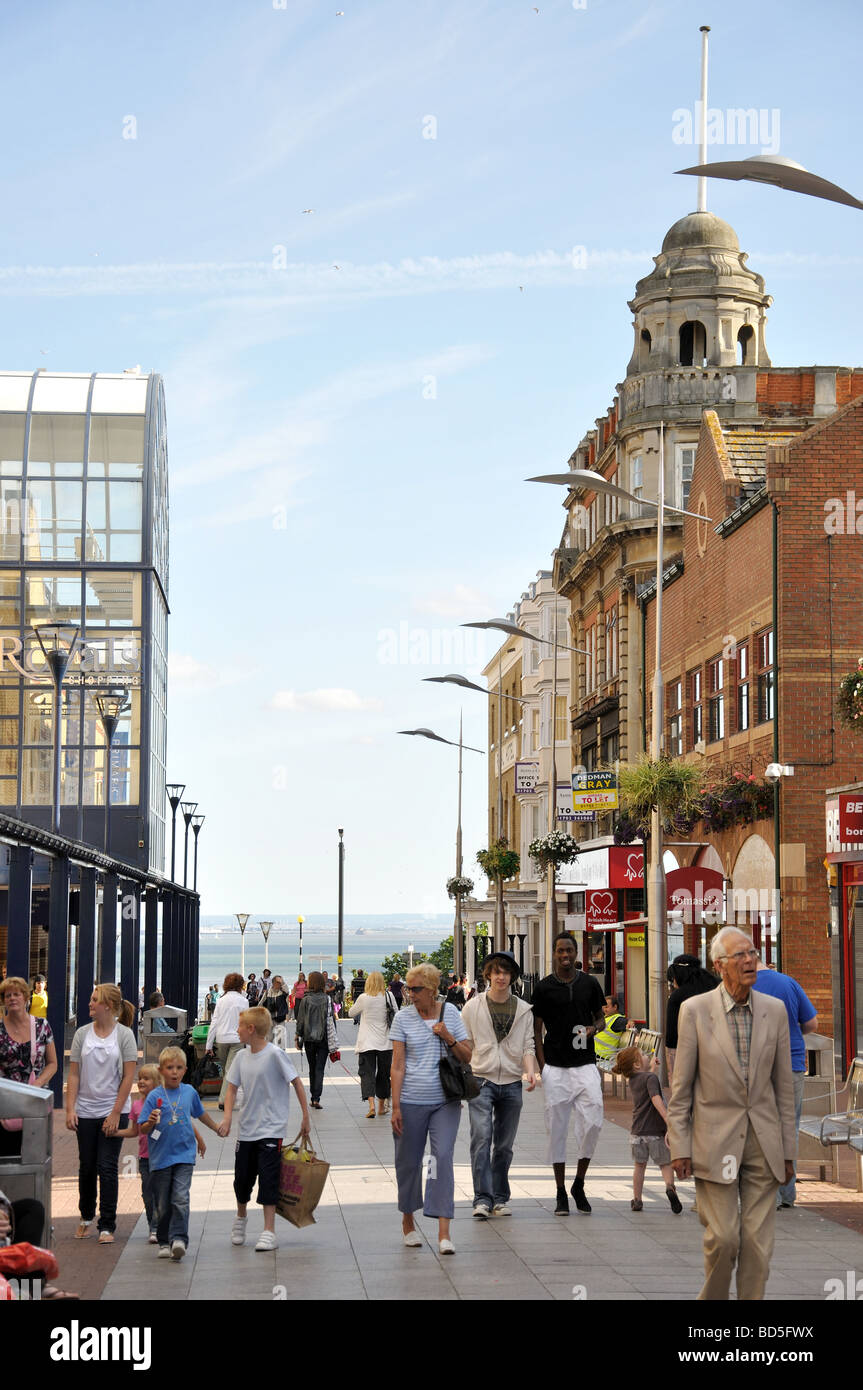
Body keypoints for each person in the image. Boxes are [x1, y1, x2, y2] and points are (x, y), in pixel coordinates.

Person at [667, 927, 796, 1302]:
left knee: (757, 1245)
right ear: (719, 965)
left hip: (763, 1142)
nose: (750, 960)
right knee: (724, 1239)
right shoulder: (695, 1010)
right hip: (715, 1142)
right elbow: (681, 1086)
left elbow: (783, 1090)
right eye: (740, 955)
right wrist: (680, 1145)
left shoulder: (775, 1011)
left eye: (752, 953)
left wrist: (789, 1152)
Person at [390, 962, 471, 1255]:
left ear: (433, 989)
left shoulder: (451, 1013)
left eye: (416, 989)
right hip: (411, 1100)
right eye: (408, 989)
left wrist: (447, 1036)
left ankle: (444, 1231)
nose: (410, 994)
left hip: (445, 1101)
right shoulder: (402, 1018)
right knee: (409, 1162)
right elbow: (397, 1065)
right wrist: (395, 1106)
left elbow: (467, 1055)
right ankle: (408, 1222)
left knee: (443, 1158)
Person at [218, 1006, 311, 1251]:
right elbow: (231, 1089)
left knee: (269, 1180)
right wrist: (227, 1118)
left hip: (272, 1129)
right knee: (242, 1180)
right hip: (246, 1129)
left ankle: (269, 1231)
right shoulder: (240, 1057)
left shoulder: (274, 1055)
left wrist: (305, 1116)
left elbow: (297, 1083)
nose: (236, 1031)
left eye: (239, 1027)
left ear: (251, 1029)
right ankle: (241, 1217)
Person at [532, 932, 605, 1216]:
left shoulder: (589, 983)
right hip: (556, 1067)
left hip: (585, 1063)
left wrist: (593, 1029)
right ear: (554, 953)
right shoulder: (543, 988)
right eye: (560, 950)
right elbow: (536, 1029)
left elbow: (600, 1017)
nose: (565, 955)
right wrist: (543, 1067)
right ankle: (561, 1191)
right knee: (557, 1130)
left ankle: (579, 1182)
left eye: (570, 951)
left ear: (576, 953)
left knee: (594, 1119)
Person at [461, 951, 539, 1219]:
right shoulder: (472, 1007)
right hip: (481, 1079)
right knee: (481, 1138)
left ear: (512, 977)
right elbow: (466, 1043)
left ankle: (500, 1197)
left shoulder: (523, 1010)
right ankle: (482, 1198)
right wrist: (463, 1073)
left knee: (504, 1145)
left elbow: (528, 1045)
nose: (501, 977)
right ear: (488, 976)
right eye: (496, 972)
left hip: (511, 1082)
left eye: (506, 972)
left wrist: (530, 1072)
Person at [66, 984, 138, 1243]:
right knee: (87, 1166)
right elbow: (73, 1074)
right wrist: (70, 1108)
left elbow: (129, 1077)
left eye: (94, 999)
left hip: (113, 1110)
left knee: (106, 1166)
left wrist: (115, 1113)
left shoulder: (125, 1035)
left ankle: (107, 1224)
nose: (89, 1003)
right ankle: (86, 1216)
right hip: (85, 1111)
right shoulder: (82, 1034)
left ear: (108, 1005)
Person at [138, 1046, 221, 1260]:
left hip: (184, 1155)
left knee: (181, 1198)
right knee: (163, 1201)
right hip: (160, 1158)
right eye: (169, 1068)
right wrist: (150, 1122)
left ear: (185, 1070)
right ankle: (164, 1241)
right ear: (161, 1070)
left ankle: (179, 1239)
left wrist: (216, 1128)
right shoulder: (154, 1096)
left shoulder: (189, 1092)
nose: (174, 1072)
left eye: (178, 1068)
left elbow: (200, 1115)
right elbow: (143, 1129)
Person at [752, 957, 817, 1209]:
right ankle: (787, 1193)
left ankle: (769, 1194)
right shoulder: (789, 983)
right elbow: (811, 1023)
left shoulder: (740, 986)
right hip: (792, 1063)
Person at [117, 1062, 204, 1244]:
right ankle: (153, 1225)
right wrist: (115, 1133)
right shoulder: (136, 1106)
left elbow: (185, 1121)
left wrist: (199, 1139)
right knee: (148, 1196)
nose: (141, 1081)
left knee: (167, 1195)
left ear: (157, 1082)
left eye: (146, 1079)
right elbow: (135, 1131)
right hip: (145, 1159)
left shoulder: (166, 1101)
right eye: (140, 1078)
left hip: (165, 1156)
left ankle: (163, 1229)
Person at [612, 1046, 683, 1214]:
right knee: (665, 1164)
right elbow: (655, 1098)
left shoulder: (634, 1080)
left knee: (639, 1166)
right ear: (637, 1064)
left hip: (637, 1133)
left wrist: (653, 1068)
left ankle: (637, 1199)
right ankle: (670, 1188)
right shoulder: (650, 1078)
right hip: (656, 1132)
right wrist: (668, 1119)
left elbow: (647, 1080)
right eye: (643, 1055)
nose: (646, 1056)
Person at [0, 976, 58, 1160]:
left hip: (35, 1102)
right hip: (5, 1104)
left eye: (16, 994)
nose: (12, 998)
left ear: (26, 998)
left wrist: (37, 1084)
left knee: (34, 1161)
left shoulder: (42, 1026)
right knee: (7, 1160)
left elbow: (53, 1063)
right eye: (7, 995)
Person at [349, 971, 396, 1118]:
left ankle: (371, 1107)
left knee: (367, 1073)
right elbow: (397, 1013)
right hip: (386, 1042)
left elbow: (351, 1013)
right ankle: (382, 1106)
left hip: (367, 1042)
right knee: (383, 1074)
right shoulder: (388, 996)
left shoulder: (364, 998)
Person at [665, 954, 719, 1076]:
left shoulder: (677, 996)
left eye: (673, 979)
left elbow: (672, 1038)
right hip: (722, 1052)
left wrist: (673, 1073)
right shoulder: (718, 986)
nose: (673, 984)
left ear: (678, 975)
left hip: (691, 1056)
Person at [295, 971, 337, 1109]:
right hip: (323, 1038)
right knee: (320, 1068)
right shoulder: (327, 999)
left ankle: (313, 1096)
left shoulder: (305, 1000)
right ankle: (316, 1098)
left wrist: (297, 1036)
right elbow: (331, 1020)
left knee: (312, 1067)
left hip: (308, 1039)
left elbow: (300, 1020)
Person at [206, 972, 247, 1107]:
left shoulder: (221, 1000)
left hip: (221, 1038)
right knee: (230, 1071)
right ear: (240, 985)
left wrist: (209, 1045)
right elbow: (246, 1022)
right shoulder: (244, 1001)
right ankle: (224, 1100)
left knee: (226, 1070)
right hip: (237, 1039)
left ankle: (226, 1098)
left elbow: (214, 1023)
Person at [593, 994, 628, 1066]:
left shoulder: (617, 1020)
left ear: (615, 1007)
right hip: (597, 1056)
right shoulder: (607, 1018)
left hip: (602, 1059)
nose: (604, 1010)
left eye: (606, 1007)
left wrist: (630, 1022)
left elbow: (626, 1022)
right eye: (603, 1007)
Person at [263, 975, 291, 1050]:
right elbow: (261, 1004)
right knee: (269, 1039)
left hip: (280, 1018)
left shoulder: (283, 992)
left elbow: (287, 990)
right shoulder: (267, 992)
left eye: (280, 983)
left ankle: (281, 1055)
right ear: (273, 983)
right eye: (278, 982)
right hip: (270, 1019)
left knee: (280, 1040)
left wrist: (282, 982)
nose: (279, 984)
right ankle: (268, 1054)